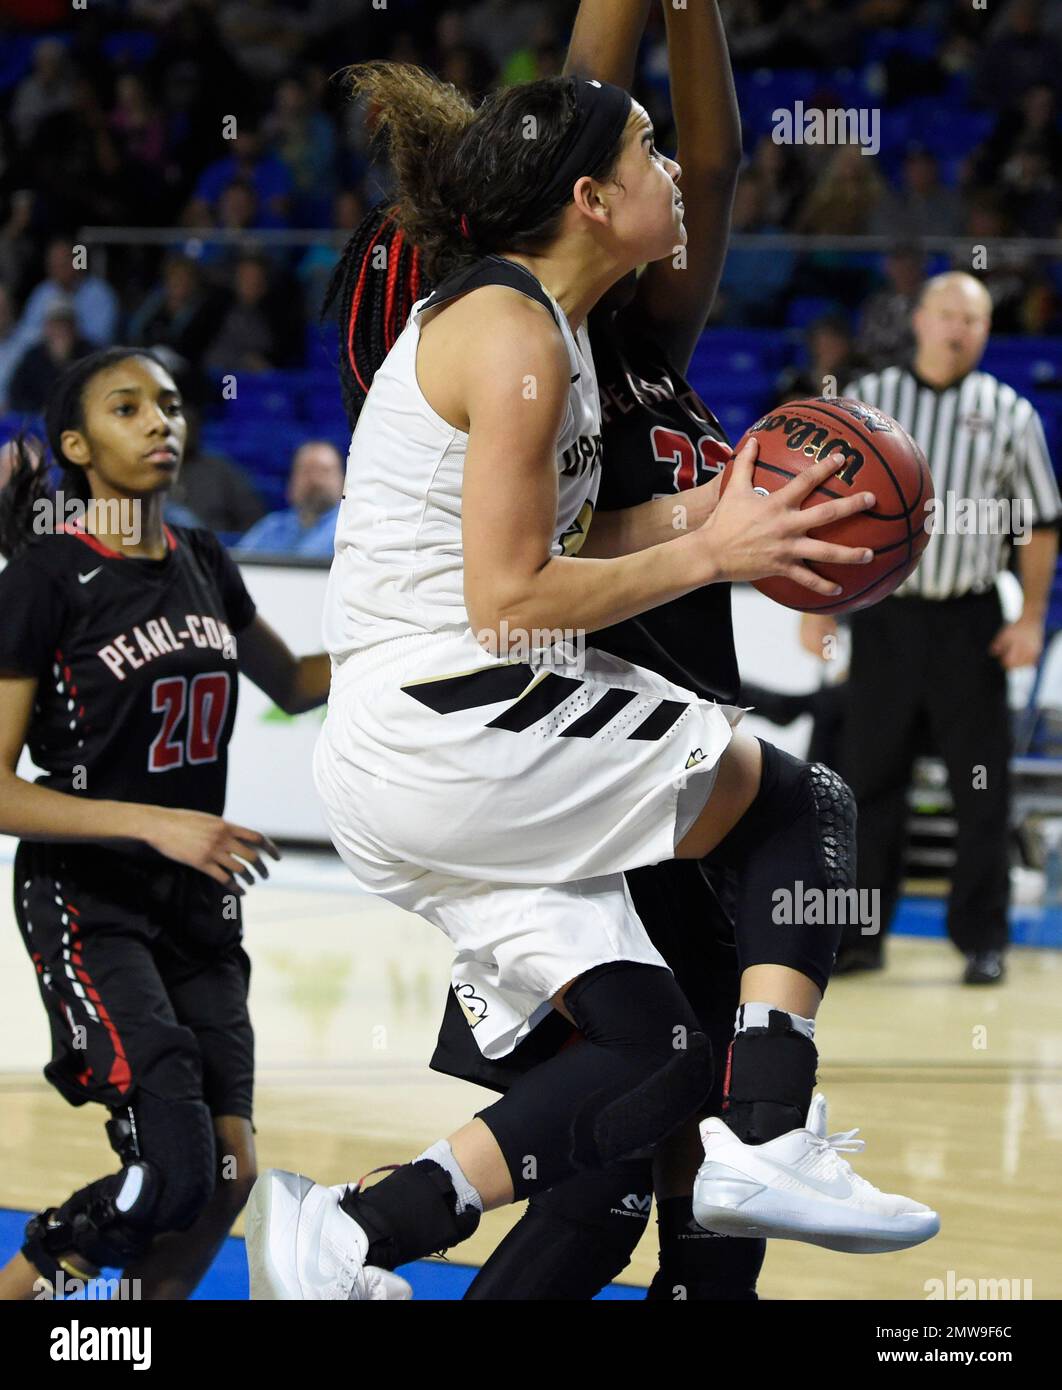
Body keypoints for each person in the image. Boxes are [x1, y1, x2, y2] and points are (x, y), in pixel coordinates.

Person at [246, 61, 937, 1303]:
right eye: (647, 153)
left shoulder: (542, 328)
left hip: (425, 752)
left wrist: (705, 508)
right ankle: (770, 1135)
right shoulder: (509, 329)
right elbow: (511, 599)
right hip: (450, 720)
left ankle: (348, 1230)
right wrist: (712, 553)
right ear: (590, 197)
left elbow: (564, 546)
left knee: (658, 1051)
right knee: (803, 805)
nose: (672, 172)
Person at [0, 347, 331, 1300]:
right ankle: (36, 1284)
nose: (161, 422)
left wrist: (421, 638)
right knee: (170, 1173)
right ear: (76, 444)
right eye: (128, 406)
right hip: (87, 902)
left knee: (230, 1174)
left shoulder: (204, 560)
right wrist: (154, 823)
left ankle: (128, 1337)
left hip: (196, 902)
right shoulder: (44, 580)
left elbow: (298, 684)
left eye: (174, 406)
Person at [804, 272, 1062, 984]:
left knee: (982, 790)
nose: (958, 329)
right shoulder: (872, 403)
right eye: (946, 314)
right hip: (884, 617)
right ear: (919, 320)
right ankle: (858, 938)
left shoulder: (1008, 410)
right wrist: (820, 606)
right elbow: (826, 505)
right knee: (867, 784)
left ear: (986, 332)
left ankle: (983, 938)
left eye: (973, 319)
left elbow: (1039, 524)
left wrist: (1033, 618)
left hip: (969, 619)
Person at [236, 441, 343, 558]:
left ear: (343, 482)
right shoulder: (272, 527)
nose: (315, 480)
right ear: (291, 482)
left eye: (325, 471)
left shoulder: (349, 530)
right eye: (306, 471)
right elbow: (239, 565)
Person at [17, 237, 119, 351]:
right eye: (53, 265)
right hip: (46, 358)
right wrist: (50, 334)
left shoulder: (99, 293)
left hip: (87, 359)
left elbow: (100, 338)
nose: (56, 269)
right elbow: (24, 334)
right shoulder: (43, 291)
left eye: (62, 264)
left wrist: (65, 332)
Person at [8, 298, 94, 414]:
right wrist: (39, 409)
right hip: (38, 421)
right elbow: (16, 396)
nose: (60, 331)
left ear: (75, 328)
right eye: (55, 325)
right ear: (46, 328)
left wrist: (63, 362)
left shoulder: (90, 354)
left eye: (65, 325)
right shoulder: (33, 356)